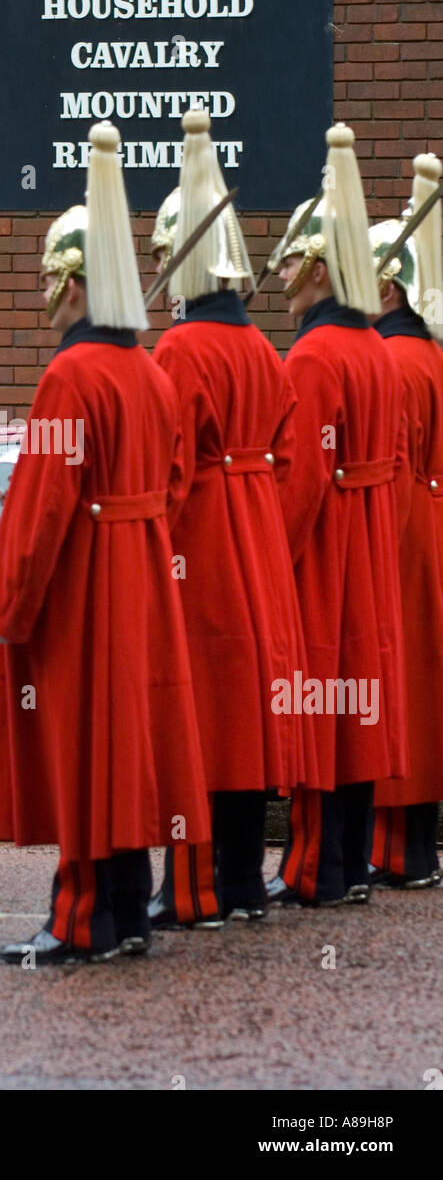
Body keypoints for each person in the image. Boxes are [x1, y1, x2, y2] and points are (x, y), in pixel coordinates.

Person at [0, 120, 210, 966]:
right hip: (141, 569)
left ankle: (80, 919)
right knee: (128, 750)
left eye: (48, 274)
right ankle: (125, 912)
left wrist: (8, 603)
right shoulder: (149, 371)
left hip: (87, 584)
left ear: (72, 280)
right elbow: (178, 479)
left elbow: (41, 506)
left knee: (85, 751)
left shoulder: (70, 374)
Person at [147, 109, 318, 930]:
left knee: (198, 713)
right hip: (252, 535)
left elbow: (172, 469)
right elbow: (289, 462)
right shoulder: (263, 349)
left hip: (204, 539)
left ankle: (192, 886)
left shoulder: (179, 351)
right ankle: (243, 882)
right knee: (246, 714)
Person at [266, 122, 408, 907]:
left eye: (288, 261)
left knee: (320, 707)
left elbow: (302, 479)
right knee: (354, 709)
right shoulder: (377, 350)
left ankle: (314, 866)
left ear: (316, 267)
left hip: (327, 551)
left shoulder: (316, 354)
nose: (279, 274)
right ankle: (350, 865)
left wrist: (273, 559)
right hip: (370, 542)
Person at [368, 153, 443, 889]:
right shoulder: (430, 354)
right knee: (423, 693)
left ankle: (392, 849)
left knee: (395, 692)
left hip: (398, 533)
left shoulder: (390, 362)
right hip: (431, 530)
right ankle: (415, 849)